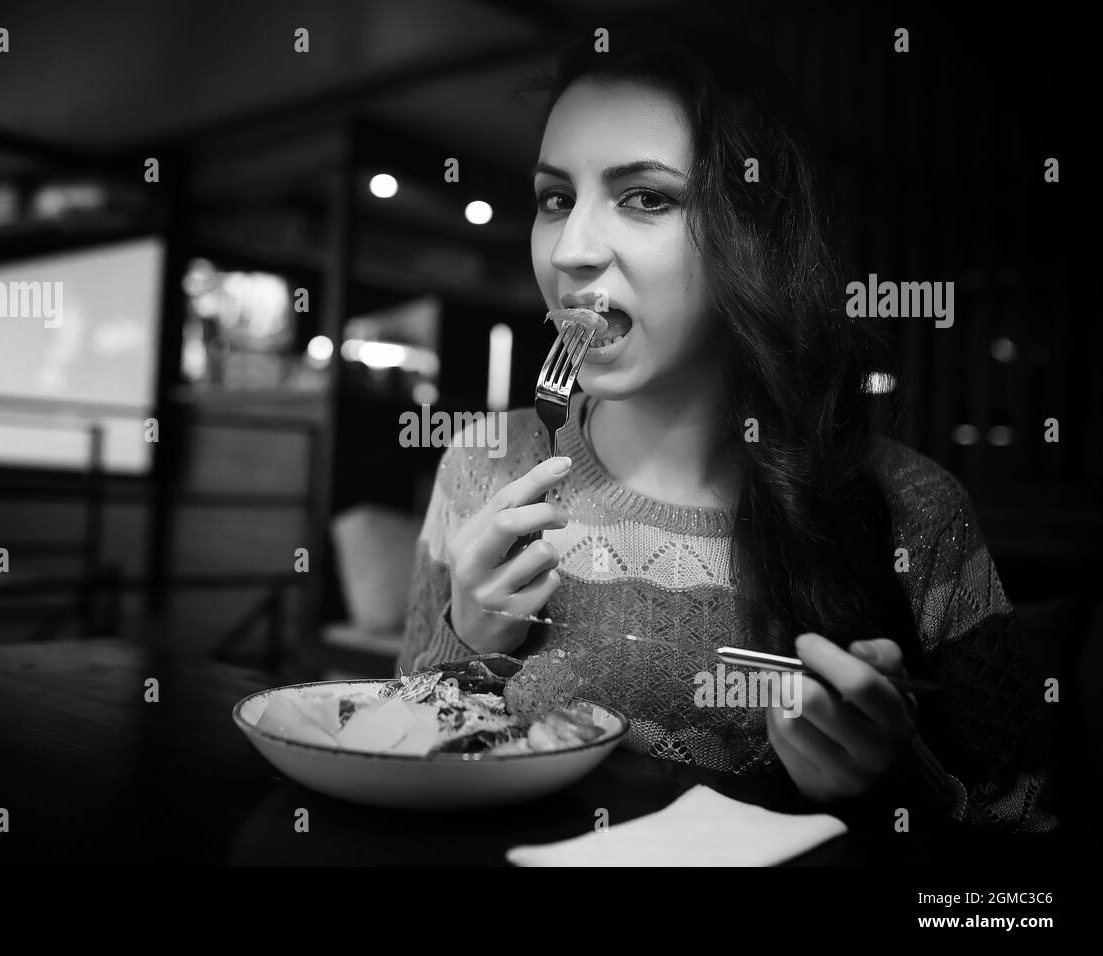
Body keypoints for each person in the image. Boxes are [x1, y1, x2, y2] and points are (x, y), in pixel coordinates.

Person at [397, 19, 1055, 832]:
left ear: (757, 232)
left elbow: (1024, 846)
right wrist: (466, 638)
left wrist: (890, 786)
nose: (571, 248)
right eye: (555, 198)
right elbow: (399, 752)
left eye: (646, 197)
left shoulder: (916, 510)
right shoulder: (482, 462)